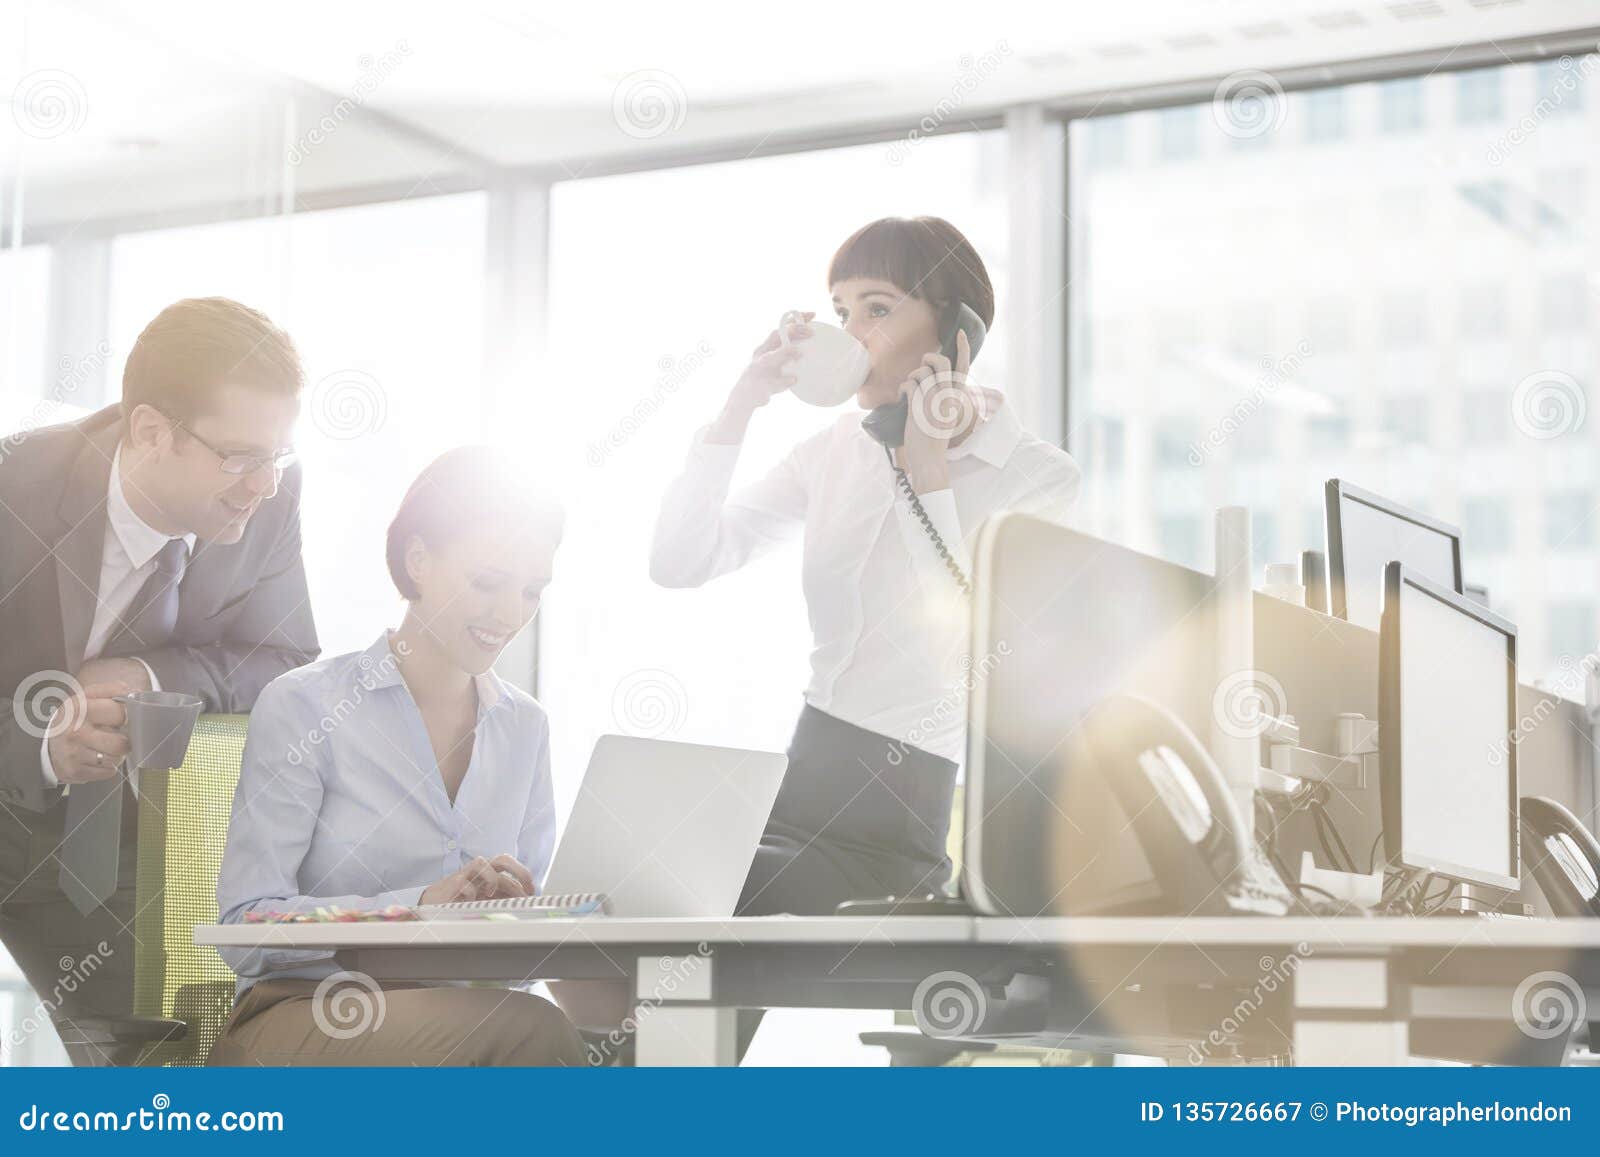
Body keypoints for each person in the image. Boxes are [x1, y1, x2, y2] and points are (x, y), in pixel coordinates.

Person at [651, 216, 1081, 919]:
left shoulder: (1038, 478)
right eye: (842, 311)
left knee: (683, 903)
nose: (851, 334)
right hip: (793, 795)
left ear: (957, 332)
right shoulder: (835, 450)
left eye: (877, 309)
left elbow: (965, 652)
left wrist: (928, 467)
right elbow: (680, 560)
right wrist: (738, 409)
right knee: (645, 891)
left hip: (893, 827)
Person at [0, 297, 319, 1055]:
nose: (264, 484)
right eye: (241, 456)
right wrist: (41, 740)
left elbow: (286, 662)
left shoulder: (269, 504)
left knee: (157, 1086)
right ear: (149, 431)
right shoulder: (14, 486)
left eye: (278, 455)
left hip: (101, 852)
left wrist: (147, 670)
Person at [210, 448, 583, 1066]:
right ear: (419, 560)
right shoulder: (307, 705)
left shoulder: (525, 727)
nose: (510, 613)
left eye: (531, 591)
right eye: (487, 582)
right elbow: (248, 926)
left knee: (610, 1040)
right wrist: (418, 907)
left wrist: (513, 914)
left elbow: (522, 952)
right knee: (530, 1033)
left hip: (460, 1022)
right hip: (302, 1015)